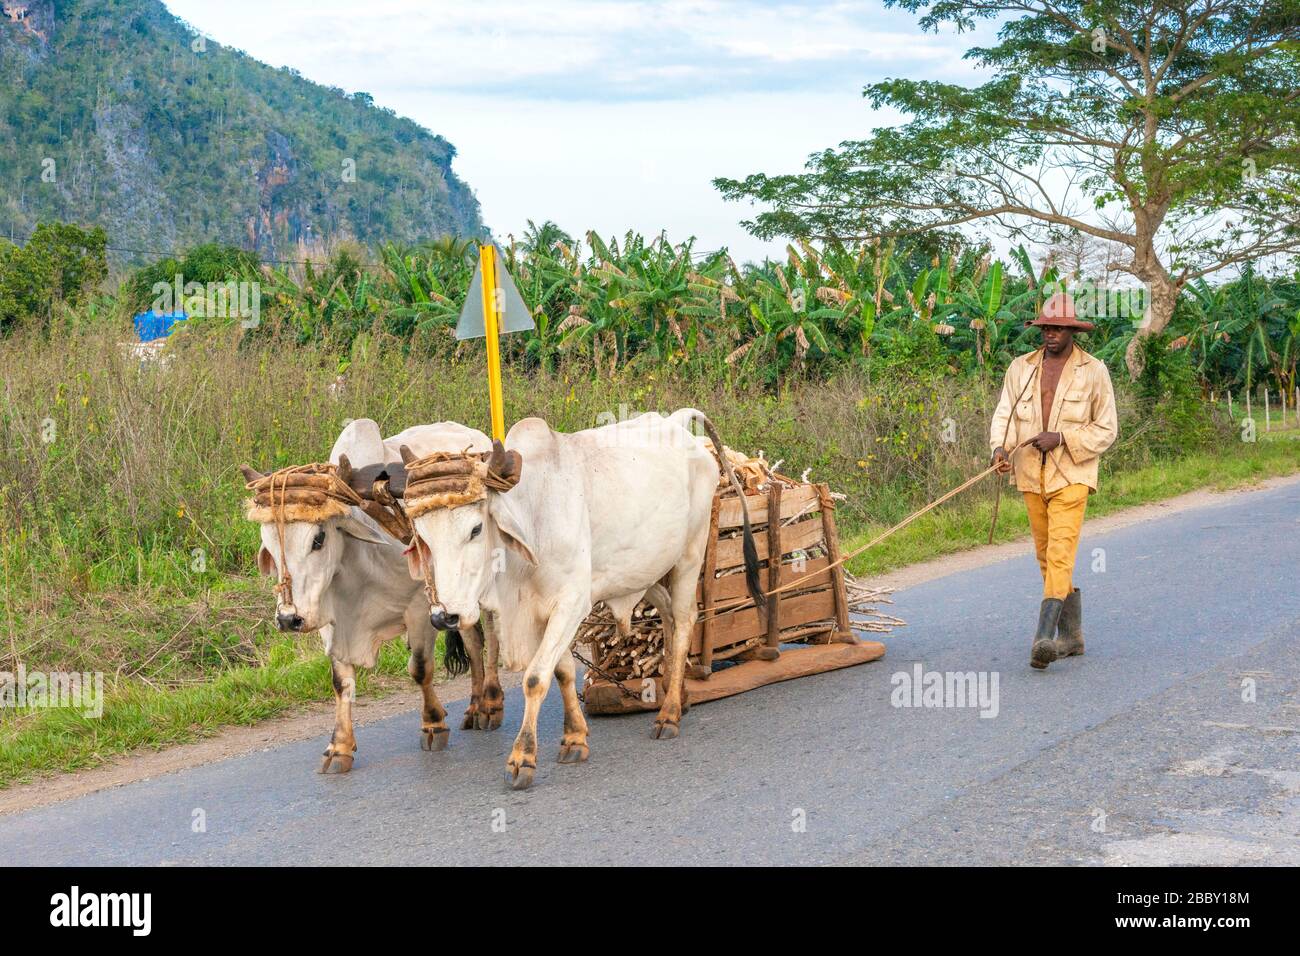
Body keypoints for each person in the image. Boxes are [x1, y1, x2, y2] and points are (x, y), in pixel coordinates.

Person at [990, 292, 1118, 669]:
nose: (1050, 334)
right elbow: (1005, 415)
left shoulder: (1093, 370)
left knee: (1061, 552)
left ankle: (1043, 638)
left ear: (1072, 330)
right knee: (1047, 557)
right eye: (1046, 327)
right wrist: (1000, 448)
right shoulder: (1020, 368)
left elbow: (1107, 428)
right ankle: (1073, 636)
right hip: (1031, 474)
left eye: (1058, 328)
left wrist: (1062, 438)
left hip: (1073, 474)